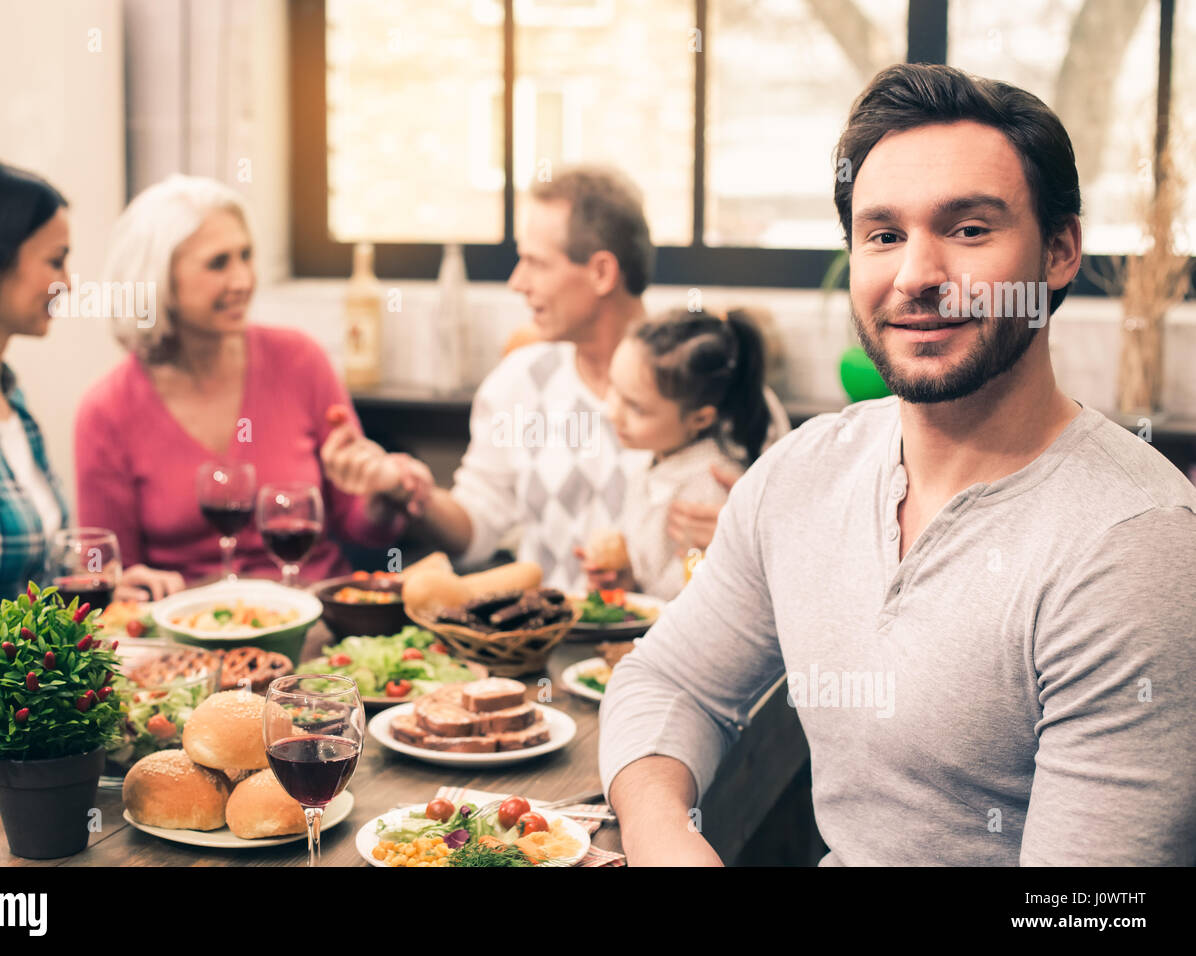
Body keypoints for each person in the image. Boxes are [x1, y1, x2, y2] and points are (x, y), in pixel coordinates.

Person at [599, 64, 1196, 866]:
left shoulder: (1134, 548)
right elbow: (671, 681)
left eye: (969, 230)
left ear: (1059, 252)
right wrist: (661, 832)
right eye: (884, 235)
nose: (916, 276)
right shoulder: (803, 471)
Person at [323, 166, 787, 589]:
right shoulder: (518, 384)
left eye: (536, 263)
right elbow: (475, 533)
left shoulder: (733, 397)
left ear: (602, 272)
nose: (517, 282)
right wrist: (409, 489)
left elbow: (797, 562)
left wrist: (743, 538)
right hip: (546, 653)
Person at [0, 158, 178, 689]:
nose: (67, 283)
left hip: (30, 711)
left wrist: (103, 590)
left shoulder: (12, 401)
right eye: (55, 261)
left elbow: (21, 586)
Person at [75, 175, 428, 584]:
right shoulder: (107, 411)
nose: (243, 280)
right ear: (157, 278)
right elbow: (106, 571)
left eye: (246, 256)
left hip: (314, 610)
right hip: (189, 633)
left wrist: (381, 495)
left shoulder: (300, 360)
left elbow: (357, 525)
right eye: (218, 263)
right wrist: (124, 584)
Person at [581, 308, 772, 600]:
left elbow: (696, 596)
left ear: (700, 419)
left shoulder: (711, 489)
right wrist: (627, 581)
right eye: (614, 389)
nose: (611, 412)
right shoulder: (653, 461)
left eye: (636, 407)